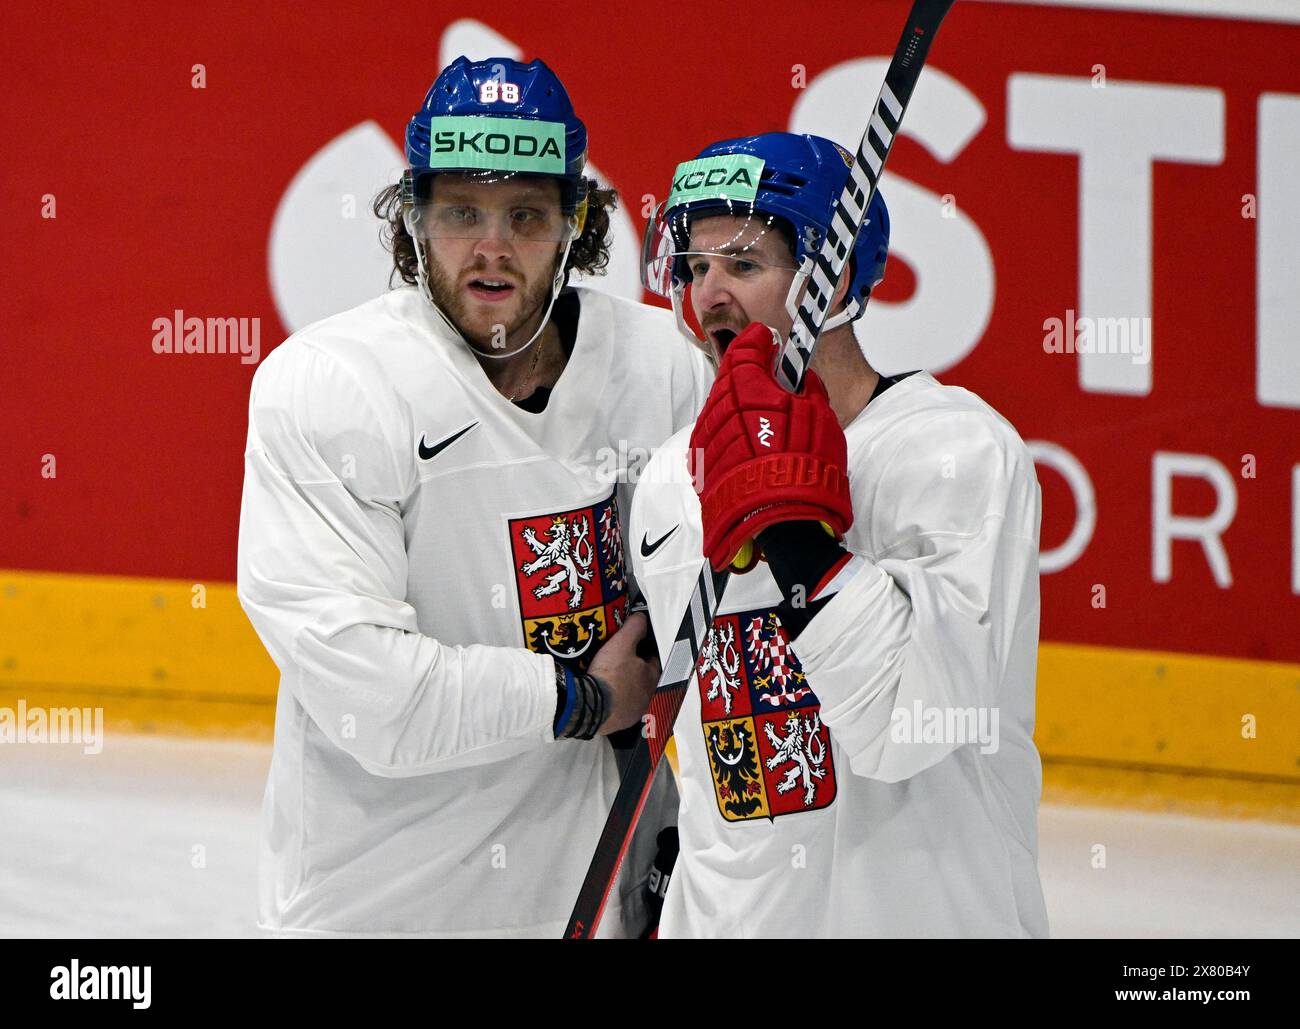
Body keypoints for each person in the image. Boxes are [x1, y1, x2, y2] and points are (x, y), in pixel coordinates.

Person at [237, 56, 710, 937]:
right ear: (413, 223)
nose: (491, 246)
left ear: (577, 225)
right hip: (379, 907)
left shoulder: (664, 368)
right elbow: (370, 698)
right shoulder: (334, 386)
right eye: (461, 213)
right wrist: (582, 698)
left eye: (525, 216)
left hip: (599, 886)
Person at [631, 131, 1050, 937]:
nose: (708, 295)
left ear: (837, 280)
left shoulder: (955, 452)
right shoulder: (663, 482)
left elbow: (909, 726)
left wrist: (794, 531)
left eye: (744, 266)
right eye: (694, 268)